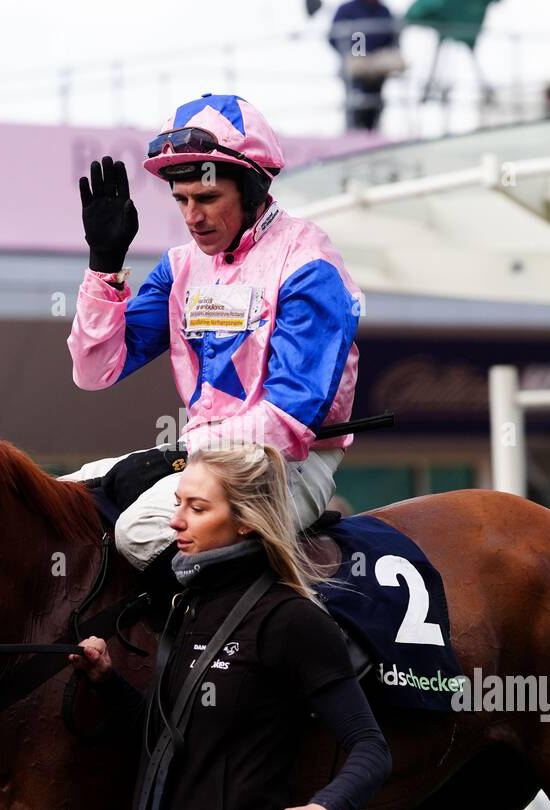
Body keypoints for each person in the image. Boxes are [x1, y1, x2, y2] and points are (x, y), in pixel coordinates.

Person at [62, 92, 362, 602]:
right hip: (201, 451)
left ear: (250, 190)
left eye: (206, 199)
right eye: (181, 201)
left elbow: (288, 424)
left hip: (288, 462)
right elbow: (96, 370)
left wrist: (184, 456)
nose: (192, 217)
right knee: (66, 497)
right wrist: (104, 264)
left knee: (140, 531)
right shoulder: (180, 267)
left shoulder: (309, 263)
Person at [69, 443, 391, 810]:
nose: (175, 520)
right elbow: (165, 734)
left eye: (198, 508)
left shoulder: (290, 618)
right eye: (178, 502)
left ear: (244, 522)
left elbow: (370, 748)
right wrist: (106, 679)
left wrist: (323, 808)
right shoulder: (187, 606)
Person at [330, 0, 402, 131]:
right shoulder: (346, 10)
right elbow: (334, 37)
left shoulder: (384, 11)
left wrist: (378, 59)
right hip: (355, 69)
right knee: (356, 104)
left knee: (376, 104)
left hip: (378, 71)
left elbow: (392, 38)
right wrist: (354, 55)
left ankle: (372, 134)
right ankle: (355, 135)